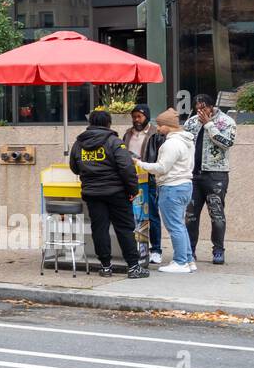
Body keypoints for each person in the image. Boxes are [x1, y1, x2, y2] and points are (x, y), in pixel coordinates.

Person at [69, 109, 147, 279]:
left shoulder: (79, 143)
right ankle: (133, 267)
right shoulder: (114, 142)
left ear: (90, 123)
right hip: (117, 193)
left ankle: (105, 267)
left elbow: (74, 167)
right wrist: (133, 190)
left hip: (92, 193)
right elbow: (127, 168)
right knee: (124, 229)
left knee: (100, 229)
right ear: (108, 123)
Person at [132, 109, 196, 273]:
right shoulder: (186, 141)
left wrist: (139, 163)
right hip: (184, 185)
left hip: (172, 187)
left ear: (168, 125)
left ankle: (180, 262)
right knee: (180, 225)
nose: (158, 128)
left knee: (175, 226)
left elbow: (161, 168)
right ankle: (188, 260)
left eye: (160, 125)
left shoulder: (171, 144)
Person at [183, 93, 237, 265]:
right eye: (197, 109)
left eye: (203, 108)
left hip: (215, 175)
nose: (200, 112)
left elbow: (227, 143)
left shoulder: (226, 122)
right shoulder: (191, 122)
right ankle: (190, 250)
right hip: (193, 175)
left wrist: (209, 125)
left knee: (217, 214)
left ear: (211, 107)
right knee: (191, 215)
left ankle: (218, 250)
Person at [122, 104, 166, 264]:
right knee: (133, 215)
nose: (136, 120)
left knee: (152, 214)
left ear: (146, 116)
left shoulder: (156, 134)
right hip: (131, 178)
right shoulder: (127, 134)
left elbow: (160, 156)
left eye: (139, 116)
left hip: (150, 178)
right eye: (134, 117)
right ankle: (137, 248)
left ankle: (156, 249)